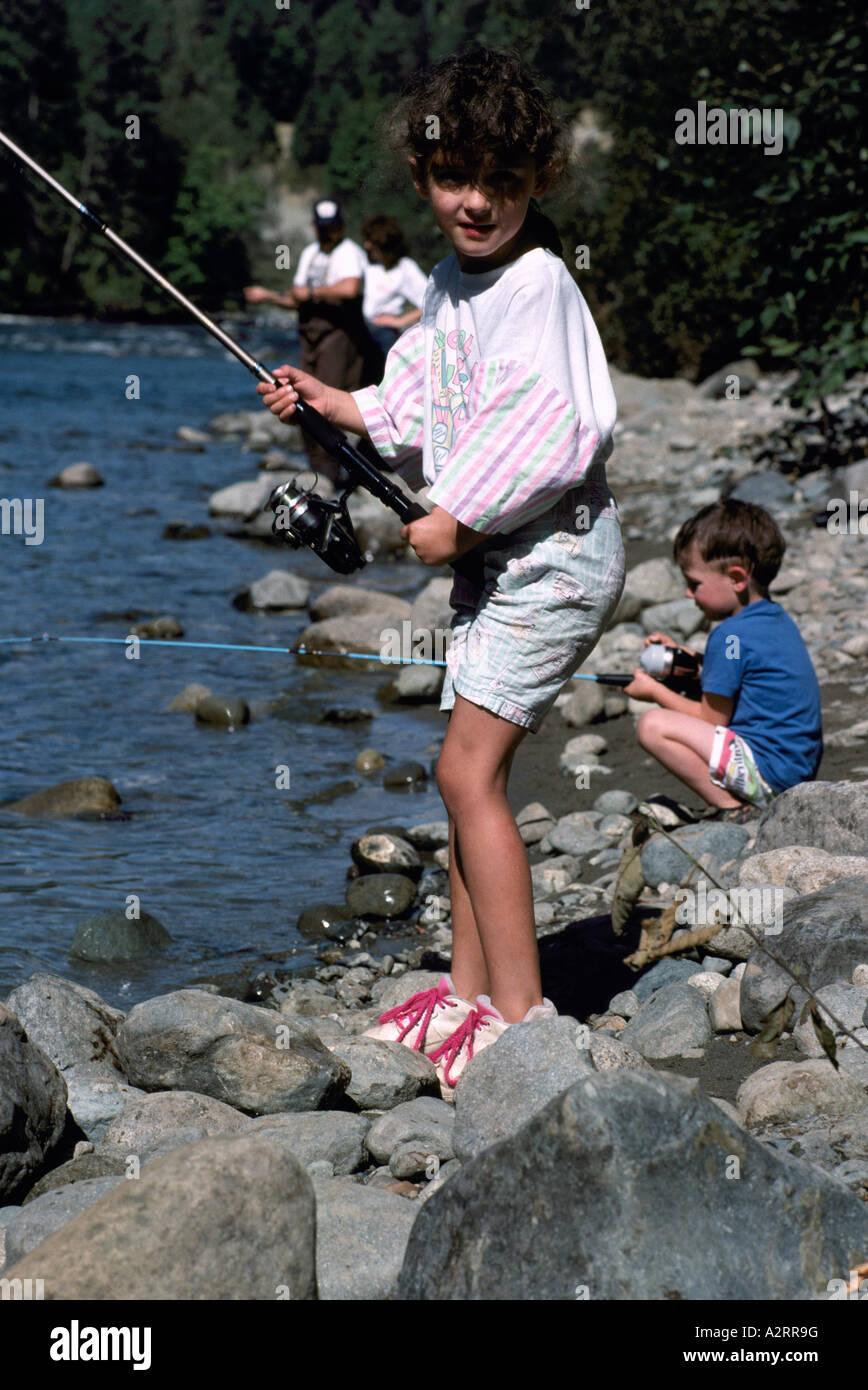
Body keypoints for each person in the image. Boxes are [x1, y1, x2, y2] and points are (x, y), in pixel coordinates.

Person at [256, 46, 624, 1094]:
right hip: (504, 559)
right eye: (453, 179)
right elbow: (418, 390)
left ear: (533, 182)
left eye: (499, 183)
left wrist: (456, 516)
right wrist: (333, 405)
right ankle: (467, 996)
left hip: (550, 558)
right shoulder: (458, 286)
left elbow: (556, 426)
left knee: (466, 773)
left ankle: (523, 1017)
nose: (475, 202)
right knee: (470, 775)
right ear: (421, 180)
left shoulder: (539, 281)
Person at [624, 499, 823, 821]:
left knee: (652, 726)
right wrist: (686, 662)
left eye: (694, 584)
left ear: (736, 578)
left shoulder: (730, 635)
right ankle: (745, 801)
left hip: (770, 772)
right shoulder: (773, 619)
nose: (689, 594)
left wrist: (654, 692)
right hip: (795, 766)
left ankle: (735, 809)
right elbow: (740, 670)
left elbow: (710, 719)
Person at [244, 199, 379, 484]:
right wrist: (268, 296)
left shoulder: (350, 252)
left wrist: (313, 292)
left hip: (340, 338)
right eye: (322, 228)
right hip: (310, 339)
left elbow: (350, 287)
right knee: (300, 401)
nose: (326, 233)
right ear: (314, 227)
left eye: (331, 228)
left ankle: (337, 472)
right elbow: (297, 297)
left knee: (327, 404)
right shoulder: (309, 254)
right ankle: (321, 471)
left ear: (340, 227)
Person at [361, 214, 427, 356]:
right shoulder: (368, 265)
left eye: (371, 242)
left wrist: (400, 321)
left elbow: (432, 302)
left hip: (385, 333)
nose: (366, 245)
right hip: (364, 329)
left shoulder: (405, 267)